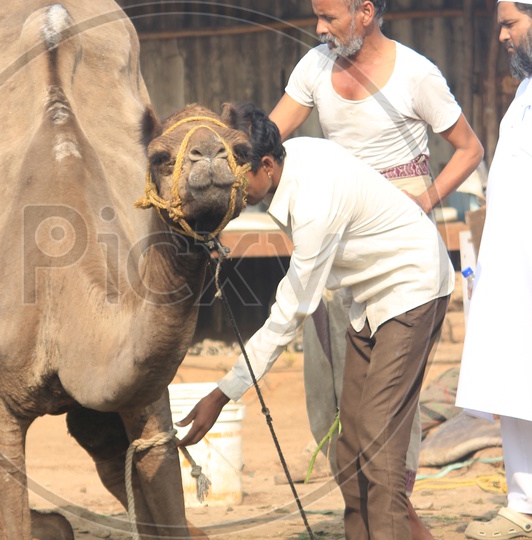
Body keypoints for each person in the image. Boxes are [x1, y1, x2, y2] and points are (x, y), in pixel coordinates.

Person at [177, 103, 454, 540]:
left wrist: (223, 393)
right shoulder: (294, 157)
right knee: (350, 445)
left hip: (412, 288)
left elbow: (290, 312)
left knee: (380, 446)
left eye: (237, 179)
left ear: (266, 165)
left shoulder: (313, 203)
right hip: (370, 298)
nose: (233, 190)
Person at [268, 0, 483, 531]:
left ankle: (393, 522)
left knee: (384, 427)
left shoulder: (415, 74)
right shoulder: (314, 67)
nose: (318, 28)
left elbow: (469, 148)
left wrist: (425, 198)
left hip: (399, 266)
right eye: (315, 15)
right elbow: (266, 142)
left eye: (329, 16)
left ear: (366, 11)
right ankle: (368, 523)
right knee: (340, 413)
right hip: (338, 262)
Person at [455, 1, 532, 538]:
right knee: (515, 382)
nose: (503, 36)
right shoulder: (523, 94)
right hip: (513, 267)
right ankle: (523, 502)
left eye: (511, 24)